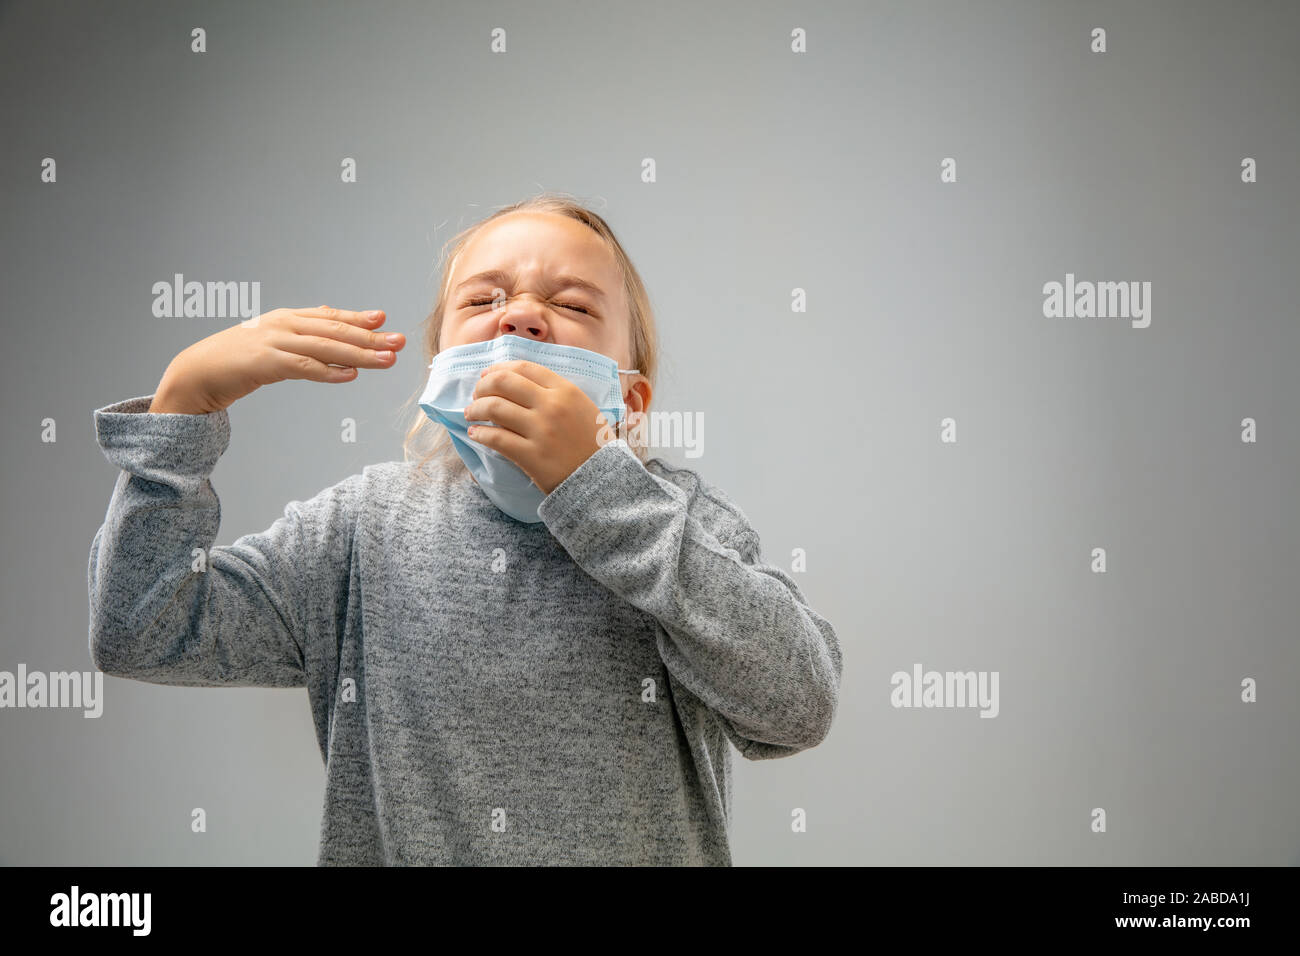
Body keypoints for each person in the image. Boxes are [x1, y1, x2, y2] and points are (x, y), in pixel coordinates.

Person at [87, 192, 843, 865]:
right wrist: (181, 409)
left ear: (629, 400)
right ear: (439, 368)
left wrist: (598, 490)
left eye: (574, 307)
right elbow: (142, 625)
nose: (519, 317)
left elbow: (798, 706)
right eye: (484, 301)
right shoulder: (360, 529)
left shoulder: (682, 529)